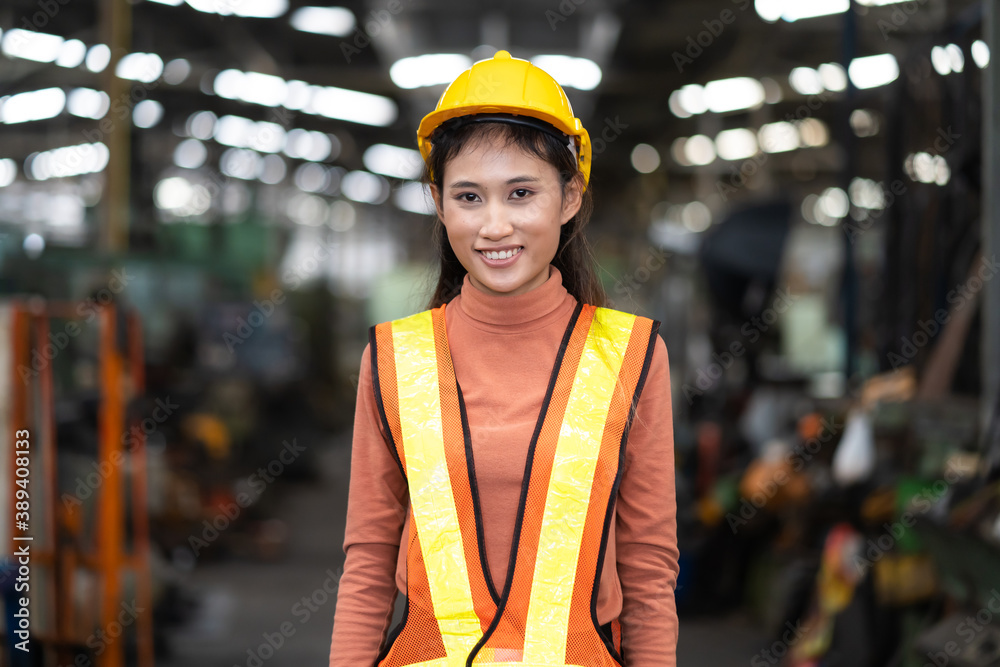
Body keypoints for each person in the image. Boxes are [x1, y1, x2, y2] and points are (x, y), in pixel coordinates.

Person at [329, 50, 679, 666]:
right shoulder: (392, 359)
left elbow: (648, 571)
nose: (494, 225)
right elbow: (367, 560)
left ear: (570, 196)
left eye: (521, 193)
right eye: (469, 197)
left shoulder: (632, 356)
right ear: (438, 204)